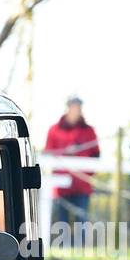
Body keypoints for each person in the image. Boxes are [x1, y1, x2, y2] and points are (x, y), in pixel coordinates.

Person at [44, 96, 100, 224]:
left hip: (82, 184)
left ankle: (81, 244)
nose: (77, 110)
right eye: (74, 107)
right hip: (61, 184)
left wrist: (88, 176)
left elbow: (96, 154)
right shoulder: (55, 129)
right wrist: (65, 151)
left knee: (81, 220)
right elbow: (47, 152)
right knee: (61, 222)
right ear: (68, 108)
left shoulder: (89, 130)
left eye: (79, 107)